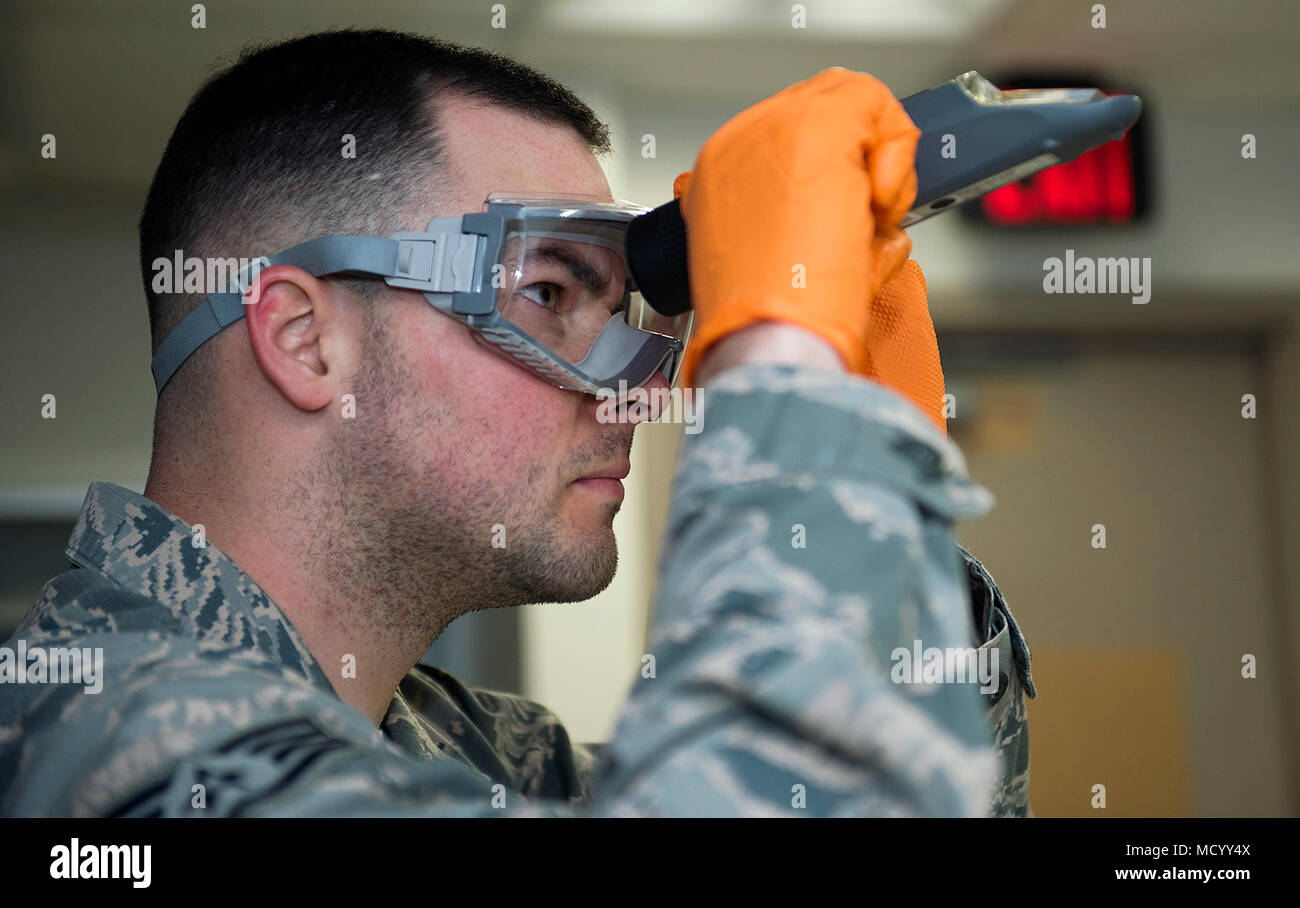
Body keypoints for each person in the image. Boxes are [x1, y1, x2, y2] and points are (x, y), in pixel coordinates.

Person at [0, 29, 1035, 817]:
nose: (631, 391)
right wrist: (788, 382)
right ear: (305, 340)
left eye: (621, 308)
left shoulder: (476, 752)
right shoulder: (98, 735)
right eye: (548, 293)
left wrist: (895, 533)